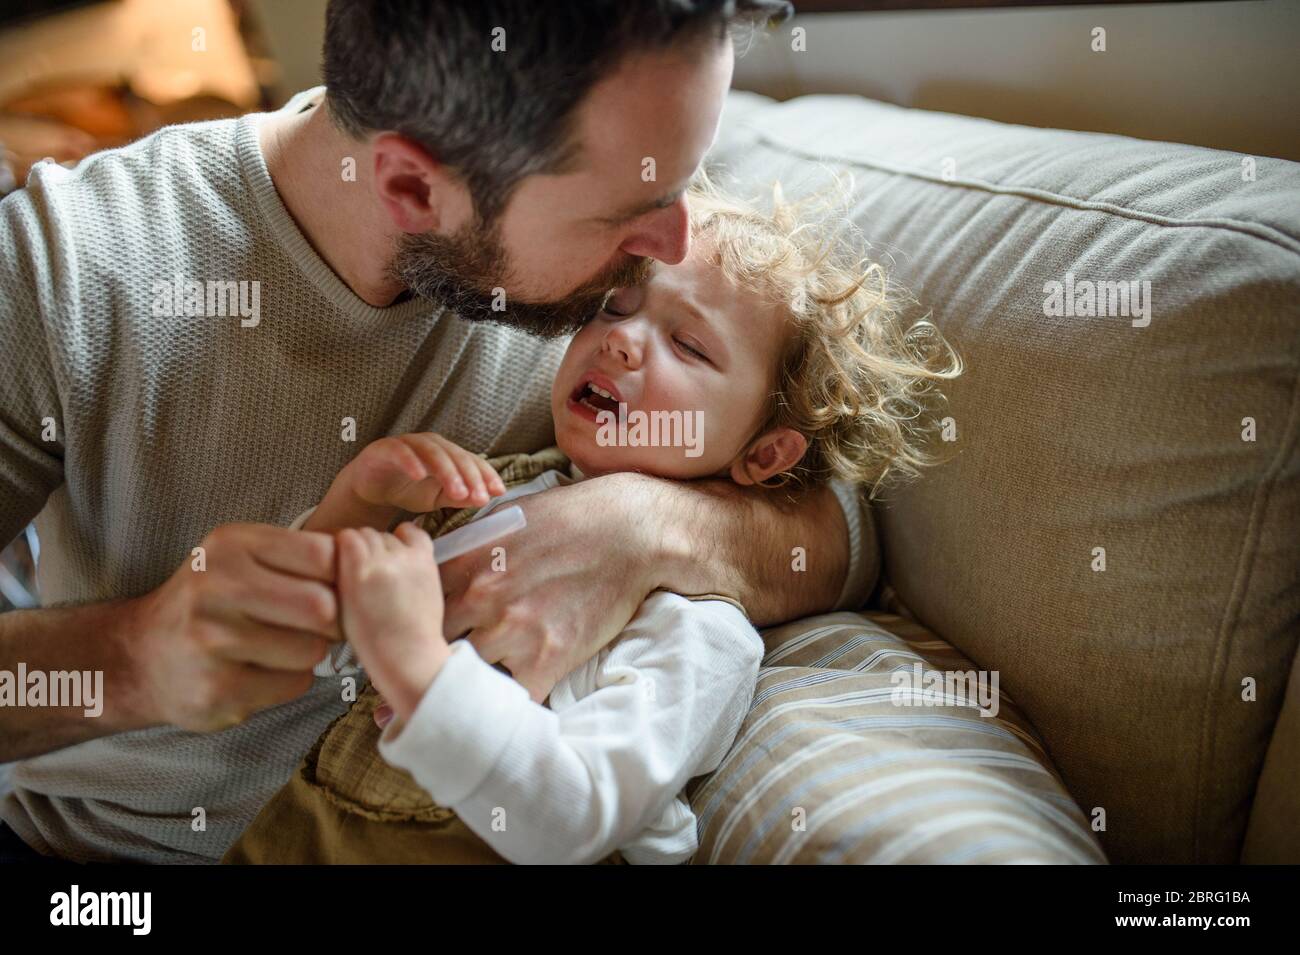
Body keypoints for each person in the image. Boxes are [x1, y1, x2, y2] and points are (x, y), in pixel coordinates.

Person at [0, 1, 876, 864]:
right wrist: (134, 657)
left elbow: (841, 514)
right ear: (414, 187)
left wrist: (641, 529)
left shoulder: (606, 305)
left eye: (683, 183)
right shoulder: (61, 268)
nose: (672, 243)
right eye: (631, 210)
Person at [227, 182, 960, 865]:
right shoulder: (495, 486)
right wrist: (357, 504)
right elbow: (323, 646)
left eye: (689, 345)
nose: (621, 339)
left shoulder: (696, 629)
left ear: (766, 453)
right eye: (616, 306)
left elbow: (573, 816)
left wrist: (418, 666)